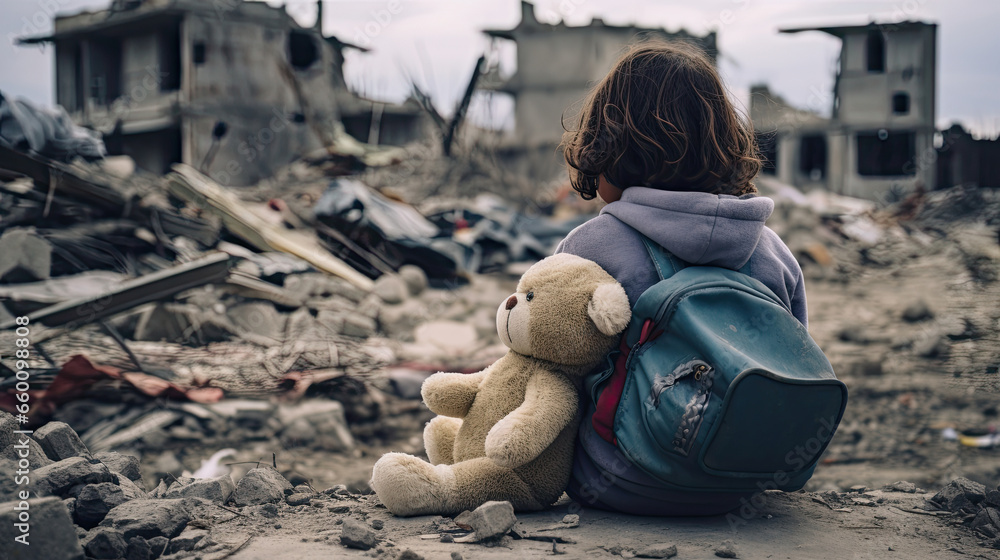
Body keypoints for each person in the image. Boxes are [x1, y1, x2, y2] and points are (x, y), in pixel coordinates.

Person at [554, 40, 807, 515]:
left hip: (618, 482)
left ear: (610, 145)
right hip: (743, 484)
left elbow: (550, 370)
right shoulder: (773, 253)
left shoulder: (590, 247)